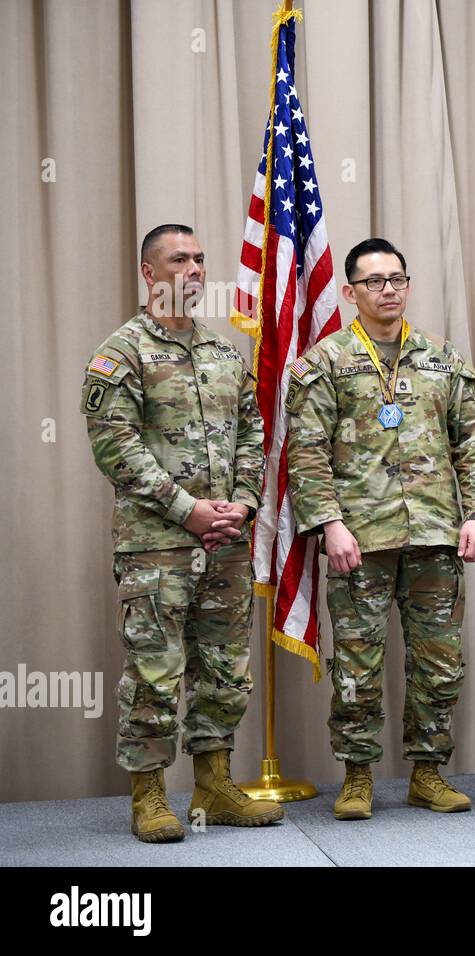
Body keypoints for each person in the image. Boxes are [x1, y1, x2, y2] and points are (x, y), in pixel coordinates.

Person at [82, 224, 283, 842]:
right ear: (149, 273)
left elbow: (253, 433)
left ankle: (214, 785)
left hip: (225, 543)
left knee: (224, 667)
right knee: (155, 670)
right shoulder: (122, 353)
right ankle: (149, 795)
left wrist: (244, 506)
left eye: (200, 259)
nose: (194, 269)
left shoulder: (223, 354)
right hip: (157, 546)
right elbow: (115, 446)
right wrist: (186, 508)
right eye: (179, 259)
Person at [286, 237, 475, 819]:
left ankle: (427, 772)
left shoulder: (443, 359)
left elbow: (472, 446)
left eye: (397, 279)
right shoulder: (322, 364)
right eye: (375, 281)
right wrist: (329, 524)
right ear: (350, 292)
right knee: (357, 663)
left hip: (434, 534)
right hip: (360, 539)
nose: (388, 290)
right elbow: (306, 454)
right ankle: (358, 777)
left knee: (438, 658)